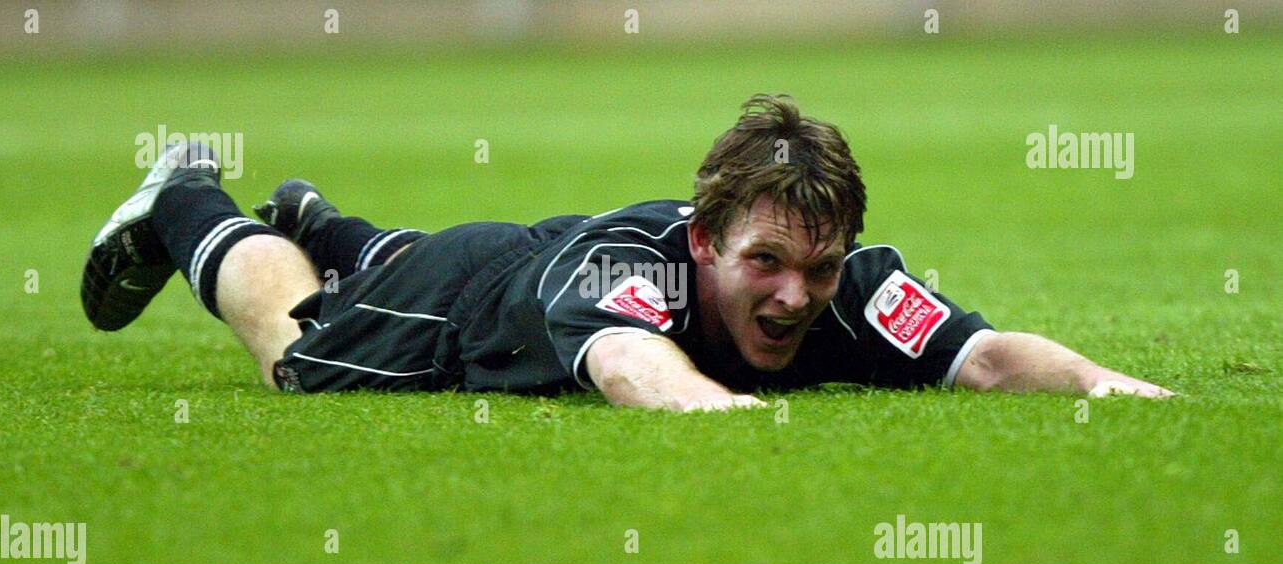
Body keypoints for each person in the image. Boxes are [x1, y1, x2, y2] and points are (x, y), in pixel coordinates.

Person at [81, 94, 1173, 412]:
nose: (799, 296)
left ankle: (320, 218)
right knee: (297, 350)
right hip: (467, 298)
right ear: (703, 243)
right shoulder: (625, 277)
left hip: (524, 262)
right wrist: (724, 411)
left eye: (822, 265)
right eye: (765, 267)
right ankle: (187, 199)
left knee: (370, 263)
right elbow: (626, 363)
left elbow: (982, 357)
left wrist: (1115, 386)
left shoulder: (856, 284)